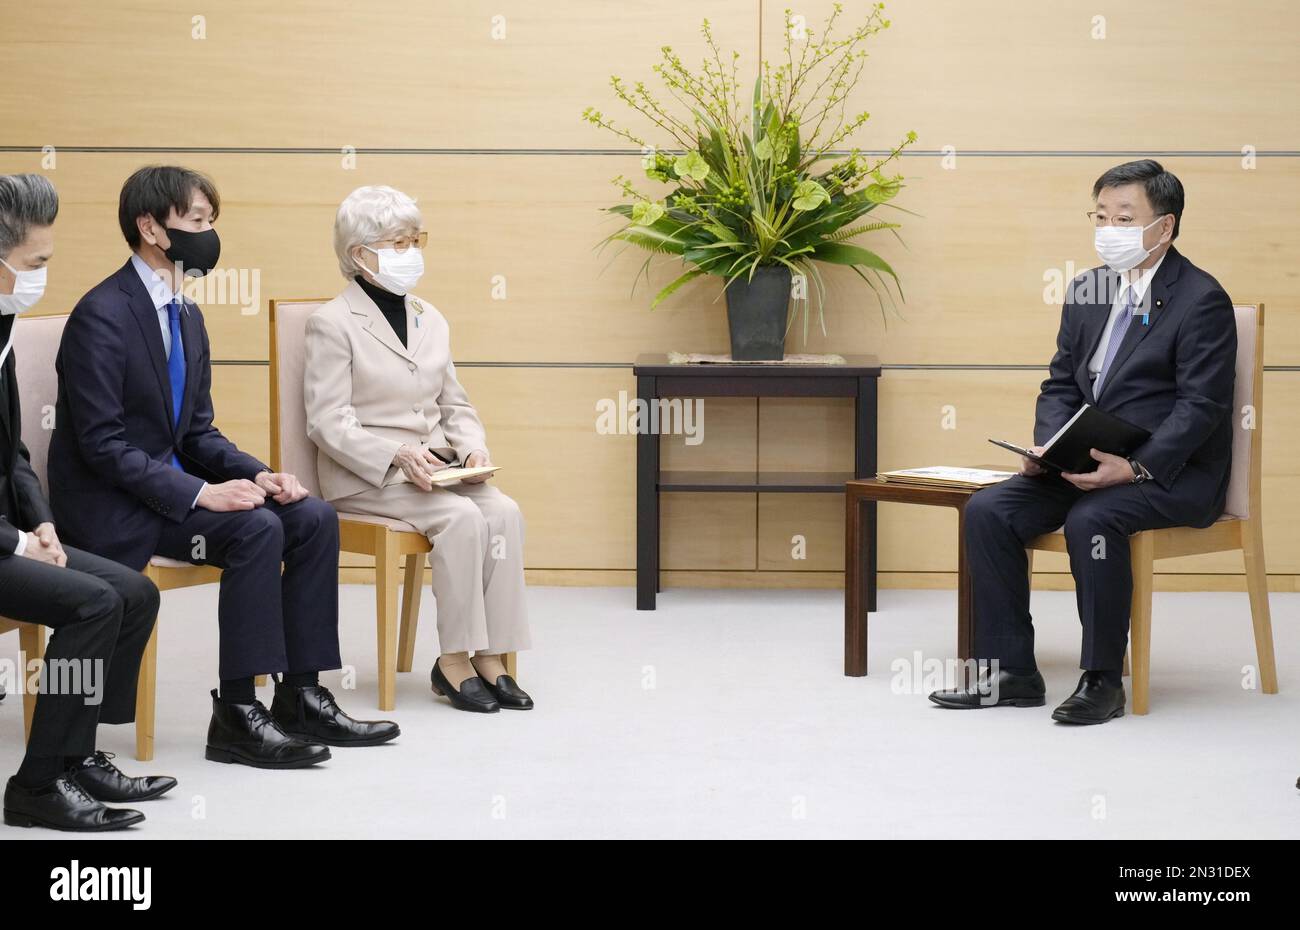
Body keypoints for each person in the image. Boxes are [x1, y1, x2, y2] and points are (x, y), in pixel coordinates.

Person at [48, 166, 399, 767]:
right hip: (113, 506)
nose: (208, 235)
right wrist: (198, 495)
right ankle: (237, 714)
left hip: (164, 491)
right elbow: (103, 446)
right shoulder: (102, 315)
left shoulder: (185, 313)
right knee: (255, 529)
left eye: (212, 222)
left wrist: (261, 475)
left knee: (308, 515)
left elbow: (197, 432)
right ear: (150, 228)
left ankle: (302, 694)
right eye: (197, 222)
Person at [930, 160, 1237, 724]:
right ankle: (1010, 672)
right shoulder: (1088, 288)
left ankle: (1101, 679)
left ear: (1164, 227)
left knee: (1092, 520)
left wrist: (1136, 467)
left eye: (1124, 217)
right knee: (988, 509)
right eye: (1100, 216)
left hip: (1169, 475)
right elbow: (1062, 382)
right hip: (1084, 464)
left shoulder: (1201, 299)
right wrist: (1048, 450)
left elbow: (1202, 408)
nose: (1108, 229)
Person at [304, 185, 532, 714]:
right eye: (398, 243)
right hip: (369, 477)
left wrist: (473, 452)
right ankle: (452, 660)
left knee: (503, 511)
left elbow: (456, 403)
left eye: (415, 240)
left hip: (436, 471)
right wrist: (395, 455)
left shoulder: (431, 316)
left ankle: (493, 655)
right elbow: (327, 422)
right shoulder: (331, 323)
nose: (412, 253)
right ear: (360, 254)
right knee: (461, 520)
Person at [0, 173, 170, 831]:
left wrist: (39, 519)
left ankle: (74, 751)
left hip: (10, 533)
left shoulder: (3, 330)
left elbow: (11, 454)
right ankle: (37, 786)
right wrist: (17, 542)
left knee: (132, 591)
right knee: (93, 601)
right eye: (36, 263)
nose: (45, 274)